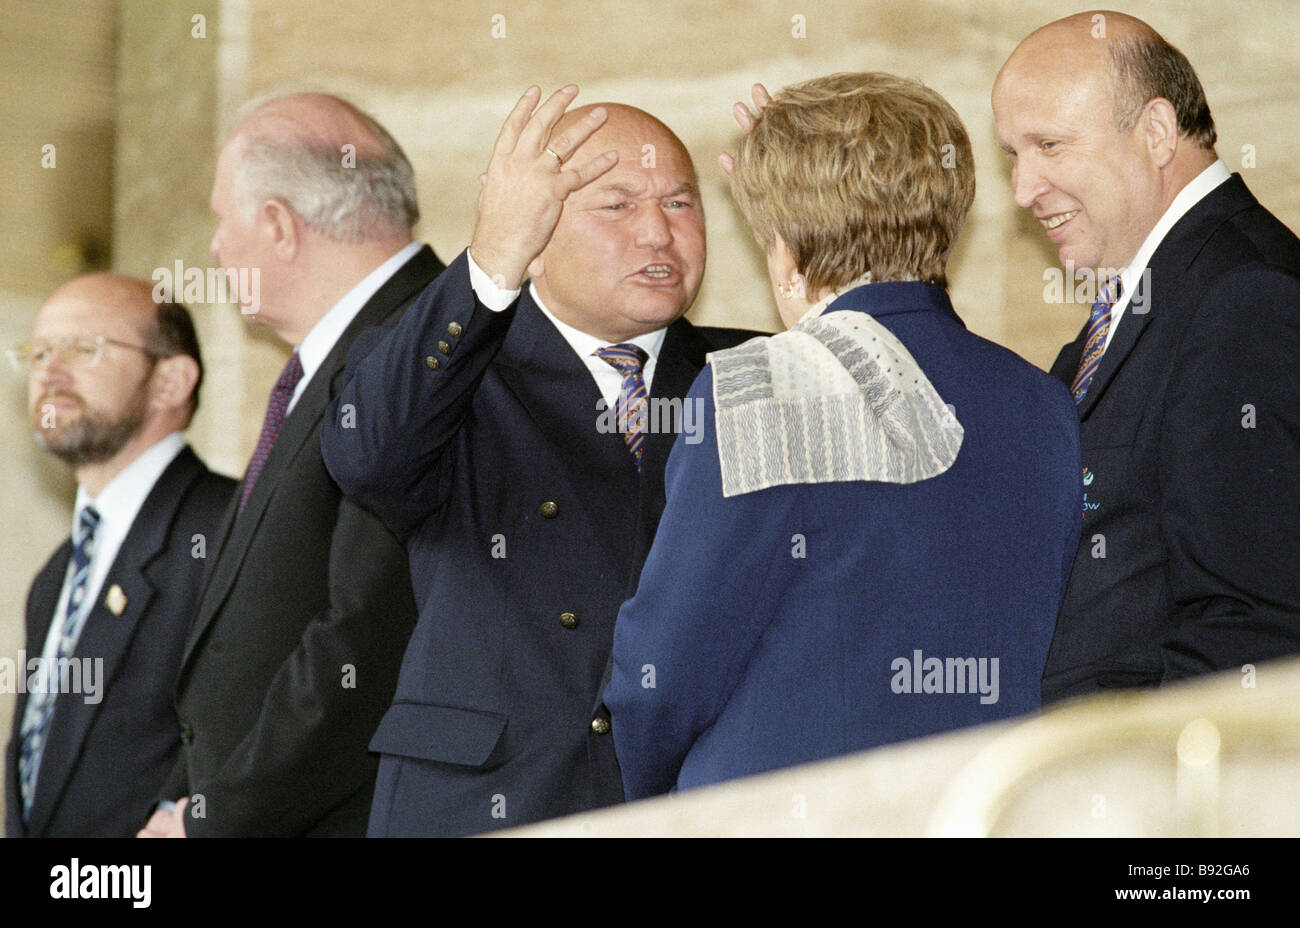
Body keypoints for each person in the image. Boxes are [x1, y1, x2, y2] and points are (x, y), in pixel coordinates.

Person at [604, 72, 1082, 800]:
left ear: (785, 243)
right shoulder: (1044, 400)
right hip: (979, 809)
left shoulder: (764, 383)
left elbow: (663, 673)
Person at [321, 86, 760, 836]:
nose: (658, 232)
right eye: (617, 205)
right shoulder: (458, 368)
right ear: (536, 232)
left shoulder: (751, 369)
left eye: (681, 204)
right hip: (487, 801)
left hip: (689, 802)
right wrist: (491, 258)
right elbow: (366, 455)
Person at [138, 93, 444, 837]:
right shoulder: (347, 353)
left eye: (222, 217)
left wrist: (213, 819)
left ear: (276, 224)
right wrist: (179, 803)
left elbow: (366, 635)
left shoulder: (425, 346)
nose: (214, 247)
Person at [992, 12, 1300, 702]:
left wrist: (1142, 798)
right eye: (1016, 154)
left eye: (1050, 145)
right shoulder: (1150, 301)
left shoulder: (1245, 299)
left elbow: (1254, 629)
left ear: (1156, 132)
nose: (1023, 189)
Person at [4, 275, 235, 837]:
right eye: (38, 353)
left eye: (84, 349)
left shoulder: (232, 530)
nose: (49, 371)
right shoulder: (56, 574)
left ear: (170, 381)